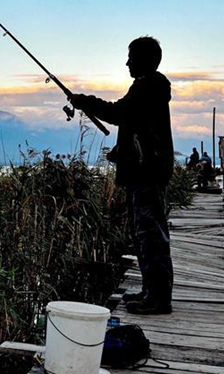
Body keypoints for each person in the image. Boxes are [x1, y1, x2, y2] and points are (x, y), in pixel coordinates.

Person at [71, 36, 174, 315]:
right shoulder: (148, 87)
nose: (127, 62)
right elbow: (137, 125)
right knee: (145, 234)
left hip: (146, 174)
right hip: (145, 172)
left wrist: (85, 102)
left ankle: (158, 299)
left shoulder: (148, 86)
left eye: (131, 57)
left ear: (145, 59)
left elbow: (119, 113)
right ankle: (151, 291)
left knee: (150, 234)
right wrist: (122, 150)